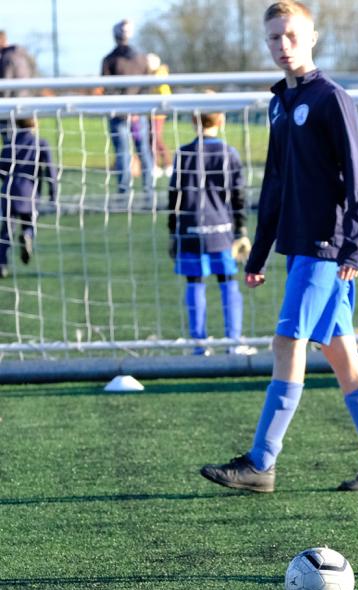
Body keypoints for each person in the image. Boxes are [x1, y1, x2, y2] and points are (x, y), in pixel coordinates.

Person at [199, 1, 358, 493]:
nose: (283, 46)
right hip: (299, 250)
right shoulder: (278, 102)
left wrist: (353, 249)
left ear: (312, 37)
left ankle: (260, 463)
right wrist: (258, 252)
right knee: (342, 355)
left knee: (287, 342)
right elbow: (275, 183)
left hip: (327, 249)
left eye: (292, 35)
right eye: (274, 38)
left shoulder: (333, 98)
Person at [167, 110, 254, 356]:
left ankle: (199, 344)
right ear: (222, 119)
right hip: (222, 231)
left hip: (190, 229)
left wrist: (174, 233)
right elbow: (238, 196)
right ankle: (233, 341)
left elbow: (174, 196)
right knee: (227, 280)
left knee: (194, 281)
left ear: (192, 120)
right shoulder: (229, 153)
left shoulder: (183, 153)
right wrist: (241, 232)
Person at [100, 20, 154, 200]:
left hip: (120, 115)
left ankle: (124, 193)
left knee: (123, 153)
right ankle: (148, 190)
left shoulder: (109, 60)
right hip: (137, 114)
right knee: (143, 151)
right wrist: (138, 109)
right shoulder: (141, 58)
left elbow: (108, 90)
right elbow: (146, 87)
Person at [0, 118, 55, 279]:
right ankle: (28, 236)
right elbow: (50, 170)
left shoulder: (10, 143)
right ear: (35, 123)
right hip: (29, 193)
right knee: (29, 223)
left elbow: (1, 167)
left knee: (6, 230)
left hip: (9, 192)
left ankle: (1, 264)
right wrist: (53, 194)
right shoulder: (40, 143)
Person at [147, 53, 174, 179]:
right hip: (151, 111)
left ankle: (168, 164)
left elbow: (164, 93)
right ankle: (155, 165)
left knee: (156, 137)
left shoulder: (159, 74)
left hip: (158, 112)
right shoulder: (153, 75)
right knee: (151, 138)